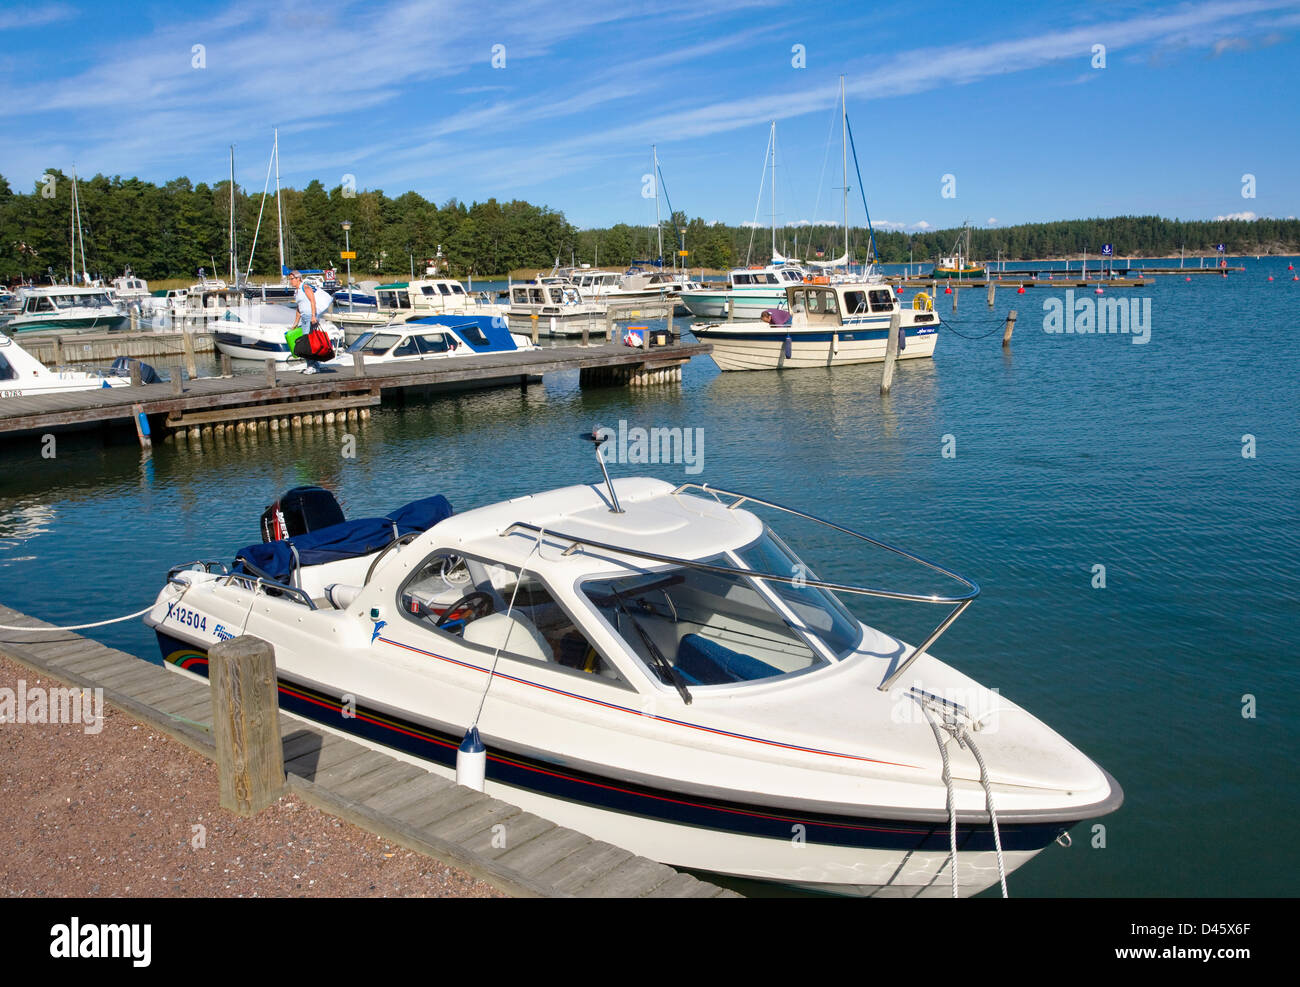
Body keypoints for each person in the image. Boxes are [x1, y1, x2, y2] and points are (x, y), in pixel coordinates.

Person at [289, 270, 335, 374]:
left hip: (310, 316)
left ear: (298, 279)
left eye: (292, 279)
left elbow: (313, 301)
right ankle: (313, 365)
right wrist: (295, 323)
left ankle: (312, 366)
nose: (291, 281)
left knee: (308, 343)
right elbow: (299, 308)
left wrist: (314, 316)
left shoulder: (305, 287)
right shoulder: (297, 291)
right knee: (306, 342)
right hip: (304, 317)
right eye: (290, 279)